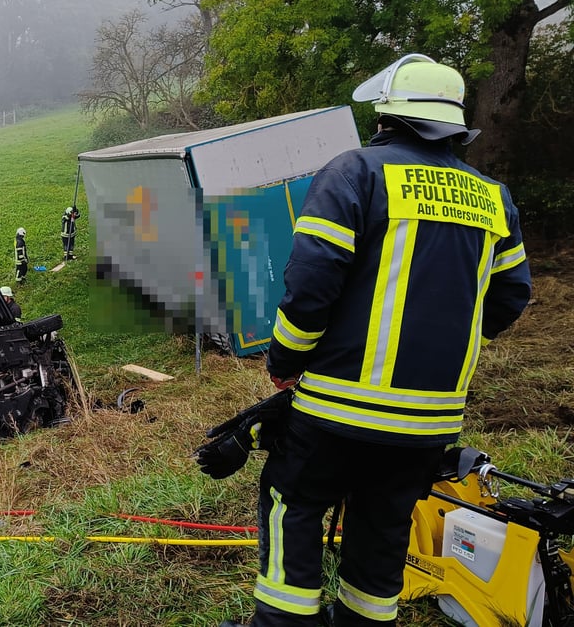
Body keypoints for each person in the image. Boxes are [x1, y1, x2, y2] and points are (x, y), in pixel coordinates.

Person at [221, 54, 531, 627]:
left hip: (337, 407)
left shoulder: (355, 172)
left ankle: (285, 622)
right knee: (384, 524)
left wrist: (285, 359)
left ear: (386, 117)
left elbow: (311, 282)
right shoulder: (494, 197)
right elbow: (511, 295)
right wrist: (445, 340)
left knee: (293, 502)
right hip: (431, 420)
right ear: (455, 127)